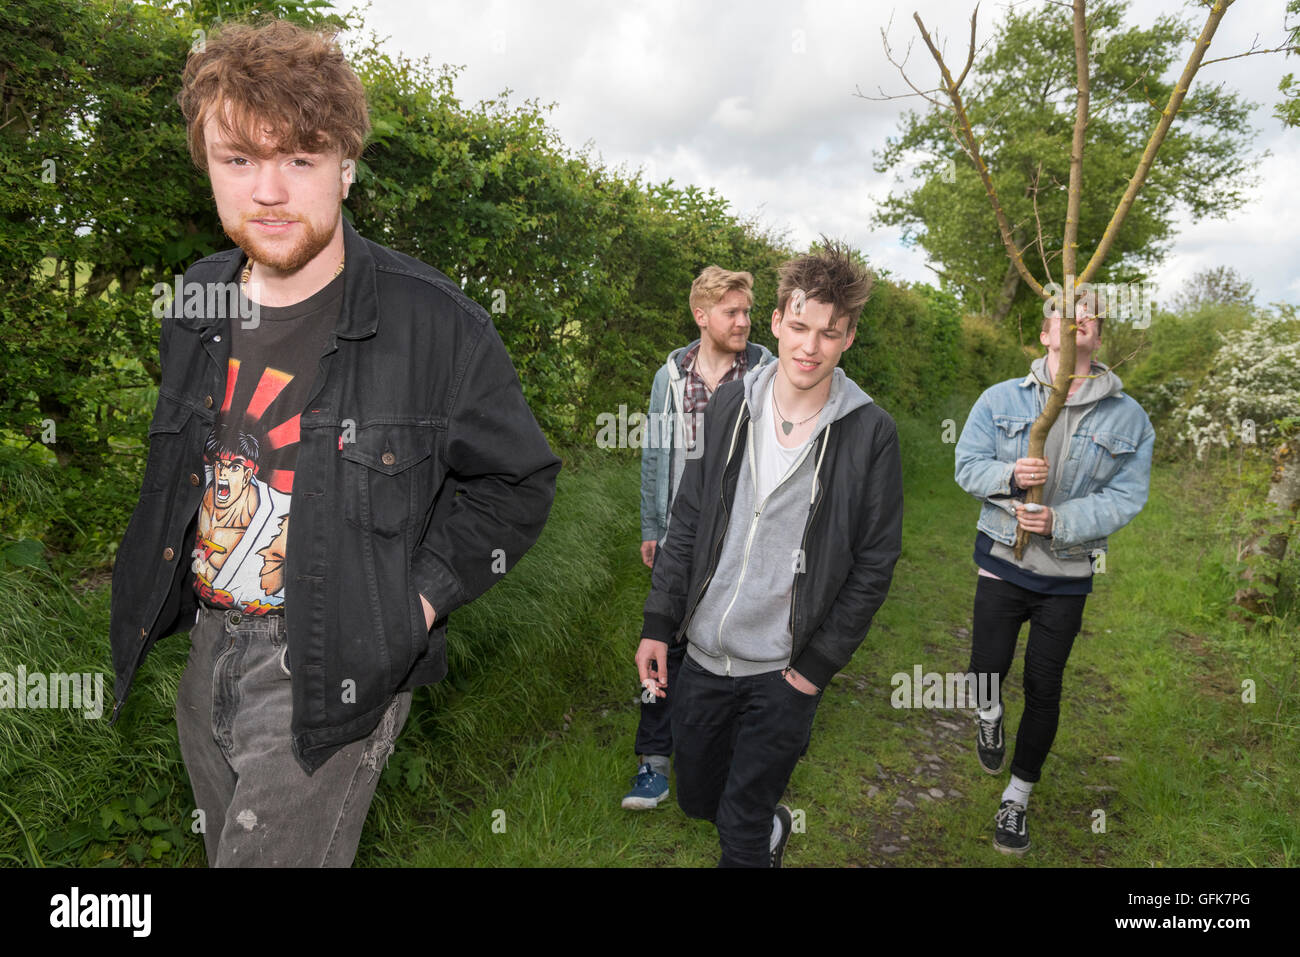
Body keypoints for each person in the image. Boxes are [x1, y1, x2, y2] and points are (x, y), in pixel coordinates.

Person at [108, 20, 560, 867]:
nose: (269, 190)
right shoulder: (197, 297)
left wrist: (413, 605)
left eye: (302, 159)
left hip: (333, 659)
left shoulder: (437, 325)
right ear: (206, 164)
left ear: (346, 166)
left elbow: (518, 481)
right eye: (239, 159)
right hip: (208, 647)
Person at [635, 242, 903, 866]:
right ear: (779, 321)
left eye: (828, 334)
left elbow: (874, 563)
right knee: (700, 799)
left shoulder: (870, 434)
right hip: (702, 653)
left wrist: (816, 667)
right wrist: (657, 622)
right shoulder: (731, 405)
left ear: (849, 338)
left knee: (740, 824)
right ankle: (769, 828)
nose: (810, 347)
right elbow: (689, 518)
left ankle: (758, 835)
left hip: (783, 669)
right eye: (800, 326)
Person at [953, 295, 1153, 855]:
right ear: (1046, 335)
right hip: (1001, 560)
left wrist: (1060, 520)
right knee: (986, 669)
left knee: (1045, 687)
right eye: (1065, 313)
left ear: (1097, 333)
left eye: (1087, 313)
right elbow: (966, 466)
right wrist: (1013, 476)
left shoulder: (1128, 417)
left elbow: (1126, 496)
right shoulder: (1000, 399)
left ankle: (1016, 799)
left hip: (1065, 572)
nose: (1077, 319)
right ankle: (988, 714)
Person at [624, 266, 774, 810]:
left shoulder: (767, 373)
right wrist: (651, 526)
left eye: (747, 311)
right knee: (661, 642)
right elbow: (654, 455)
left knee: (727, 645)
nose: (743, 322)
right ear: (701, 315)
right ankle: (653, 762)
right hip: (679, 535)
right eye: (731, 312)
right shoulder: (671, 376)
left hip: (741, 543)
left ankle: (720, 758)